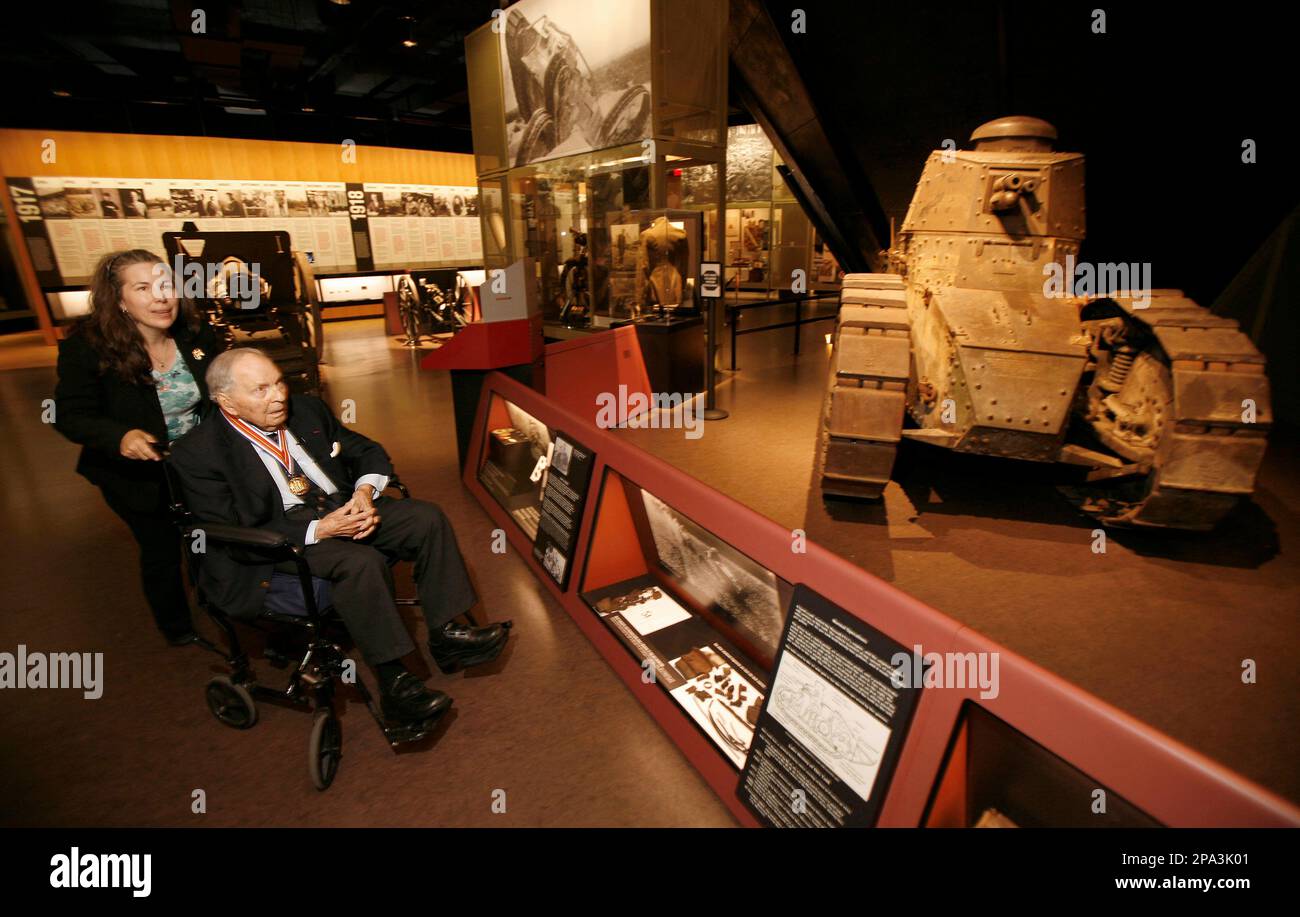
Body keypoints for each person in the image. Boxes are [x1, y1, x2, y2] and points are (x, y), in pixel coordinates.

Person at [167, 348, 510, 724]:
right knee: (360, 562)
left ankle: (446, 635)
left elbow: (367, 451)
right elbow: (232, 531)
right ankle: (396, 685)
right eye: (261, 390)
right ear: (226, 402)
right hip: (278, 539)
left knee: (426, 517)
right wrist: (322, 529)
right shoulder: (197, 454)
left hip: (339, 504)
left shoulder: (306, 410)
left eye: (279, 382)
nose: (279, 395)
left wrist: (363, 493)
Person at [54, 249, 225, 645]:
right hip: (134, 474)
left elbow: (220, 389)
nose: (161, 297)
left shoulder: (195, 335)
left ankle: (222, 607)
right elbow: (70, 415)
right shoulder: (89, 347)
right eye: (144, 288)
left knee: (211, 537)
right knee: (162, 548)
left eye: (166, 285)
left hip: (195, 463)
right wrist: (119, 436)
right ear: (118, 300)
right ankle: (176, 628)